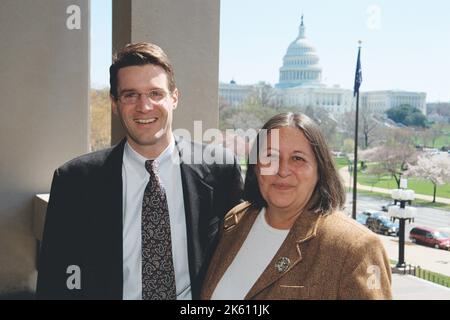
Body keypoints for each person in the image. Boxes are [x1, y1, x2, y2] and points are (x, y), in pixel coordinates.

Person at [36, 42, 243, 300]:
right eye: (130, 95)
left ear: (174, 98)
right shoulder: (75, 181)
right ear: (114, 103)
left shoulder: (221, 171)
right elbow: (55, 280)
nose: (144, 107)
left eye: (155, 93)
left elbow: (242, 260)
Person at [201, 112, 392, 300]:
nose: (282, 170)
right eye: (271, 157)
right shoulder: (234, 221)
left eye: (298, 158)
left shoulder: (356, 248)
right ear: (256, 167)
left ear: (320, 170)